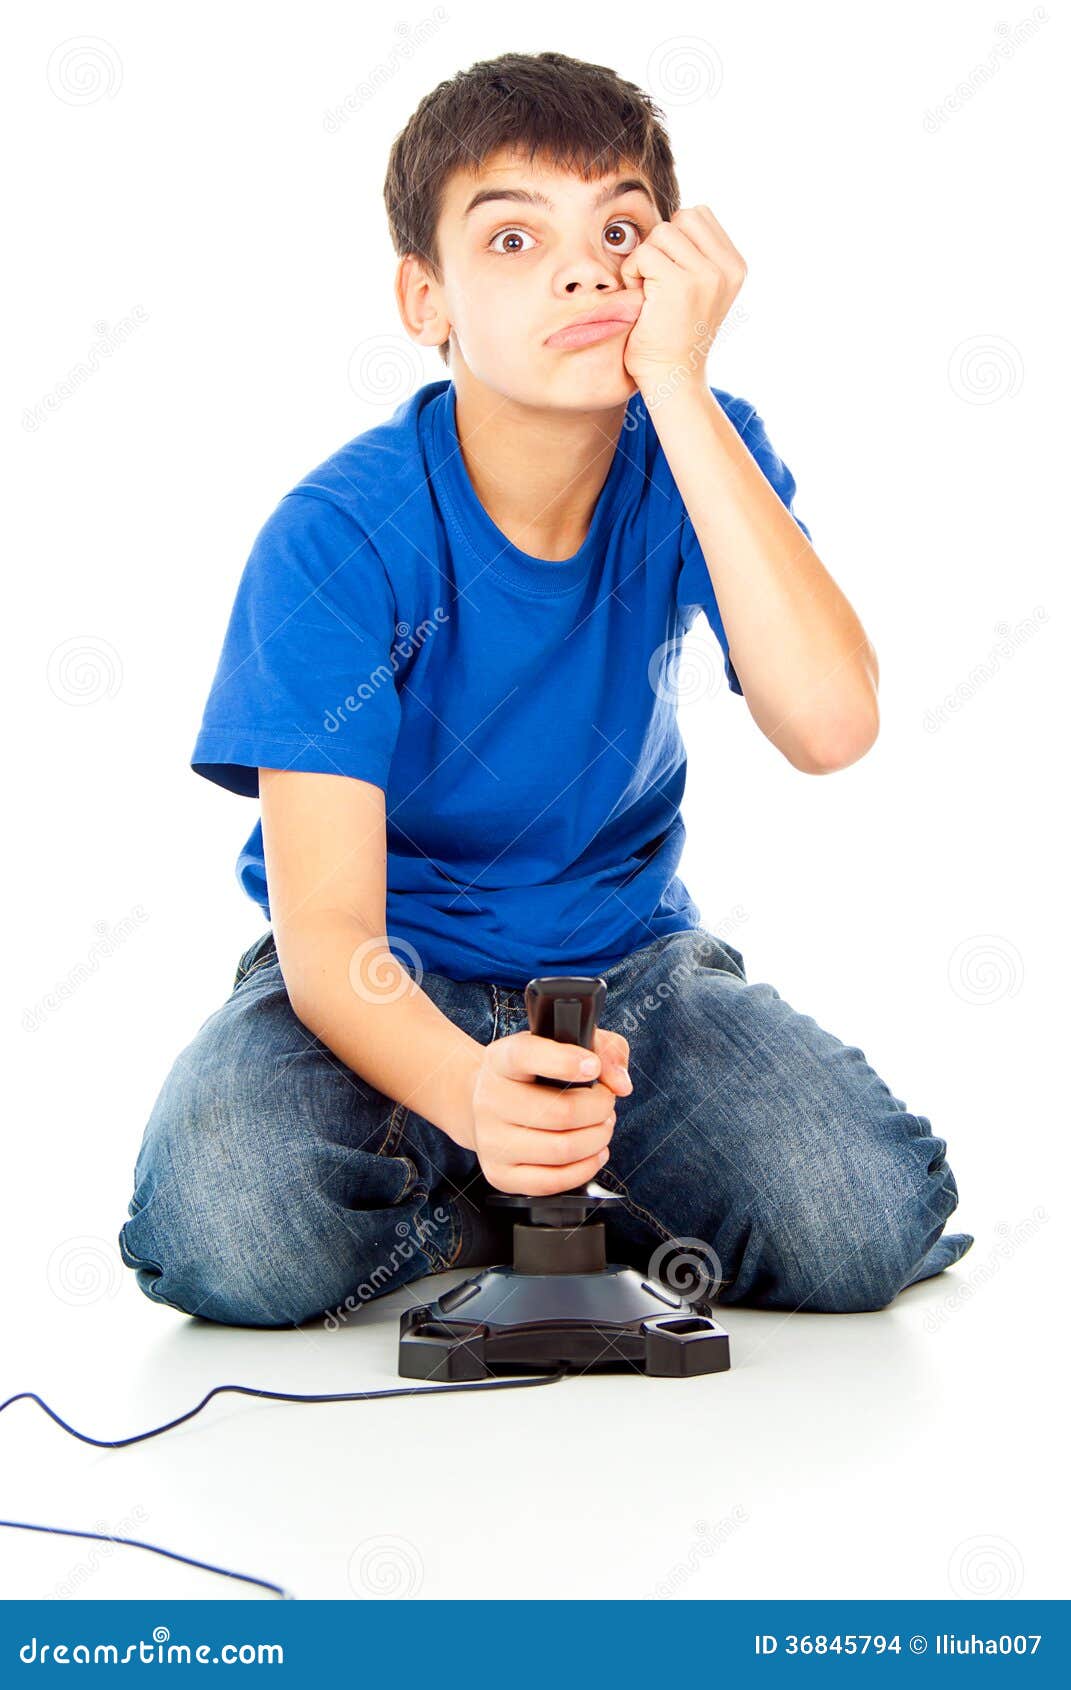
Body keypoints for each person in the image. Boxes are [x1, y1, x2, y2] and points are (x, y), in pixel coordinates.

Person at [118, 50, 972, 1329]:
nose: (586, 270)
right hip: (379, 985)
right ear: (426, 298)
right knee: (237, 1229)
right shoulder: (338, 533)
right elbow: (332, 934)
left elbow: (832, 722)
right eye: (513, 237)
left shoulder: (697, 449)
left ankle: (554, 1169)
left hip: (626, 974)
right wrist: (464, 1091)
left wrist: (678, 389)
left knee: (856, 1219)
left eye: (621, 231)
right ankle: (478, 1181)